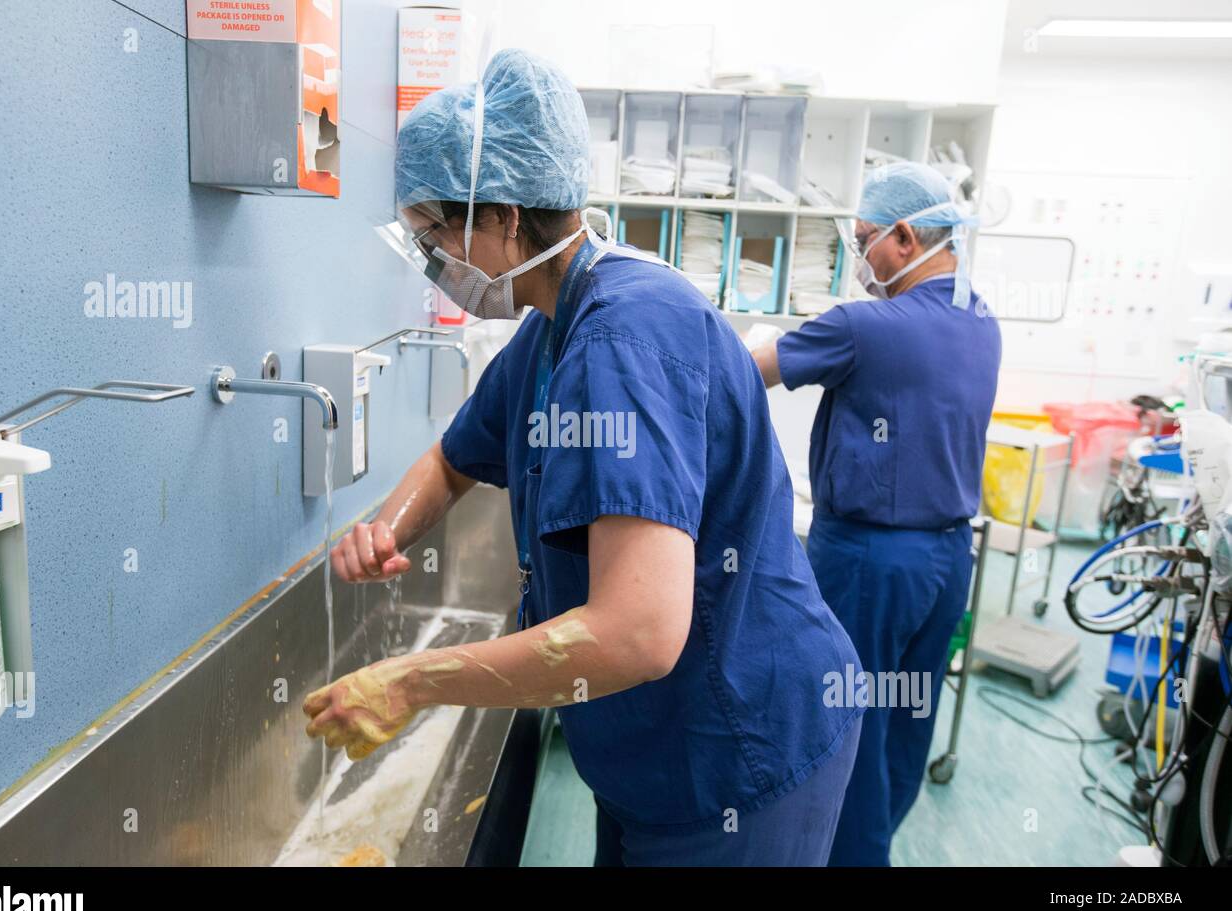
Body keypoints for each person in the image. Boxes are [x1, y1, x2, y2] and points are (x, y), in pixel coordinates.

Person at [302, 49, 863, 866]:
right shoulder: (548, 327)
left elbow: (637, 635)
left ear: (501, 216)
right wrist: (389, 530)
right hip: (653, 753)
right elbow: (457, 458)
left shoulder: (624, 341)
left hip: (736, 757)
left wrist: (411, 681)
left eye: (434, 238)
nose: (434, 267)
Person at [752, 162, 1001, 866]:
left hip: (870, 562)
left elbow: (752, 371)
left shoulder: (865, 326)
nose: (859, 260)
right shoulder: (981, 321)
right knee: (904, 724)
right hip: (948, 561)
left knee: (847, 728)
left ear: (903, 236)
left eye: (863, 241)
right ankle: (875, 847)